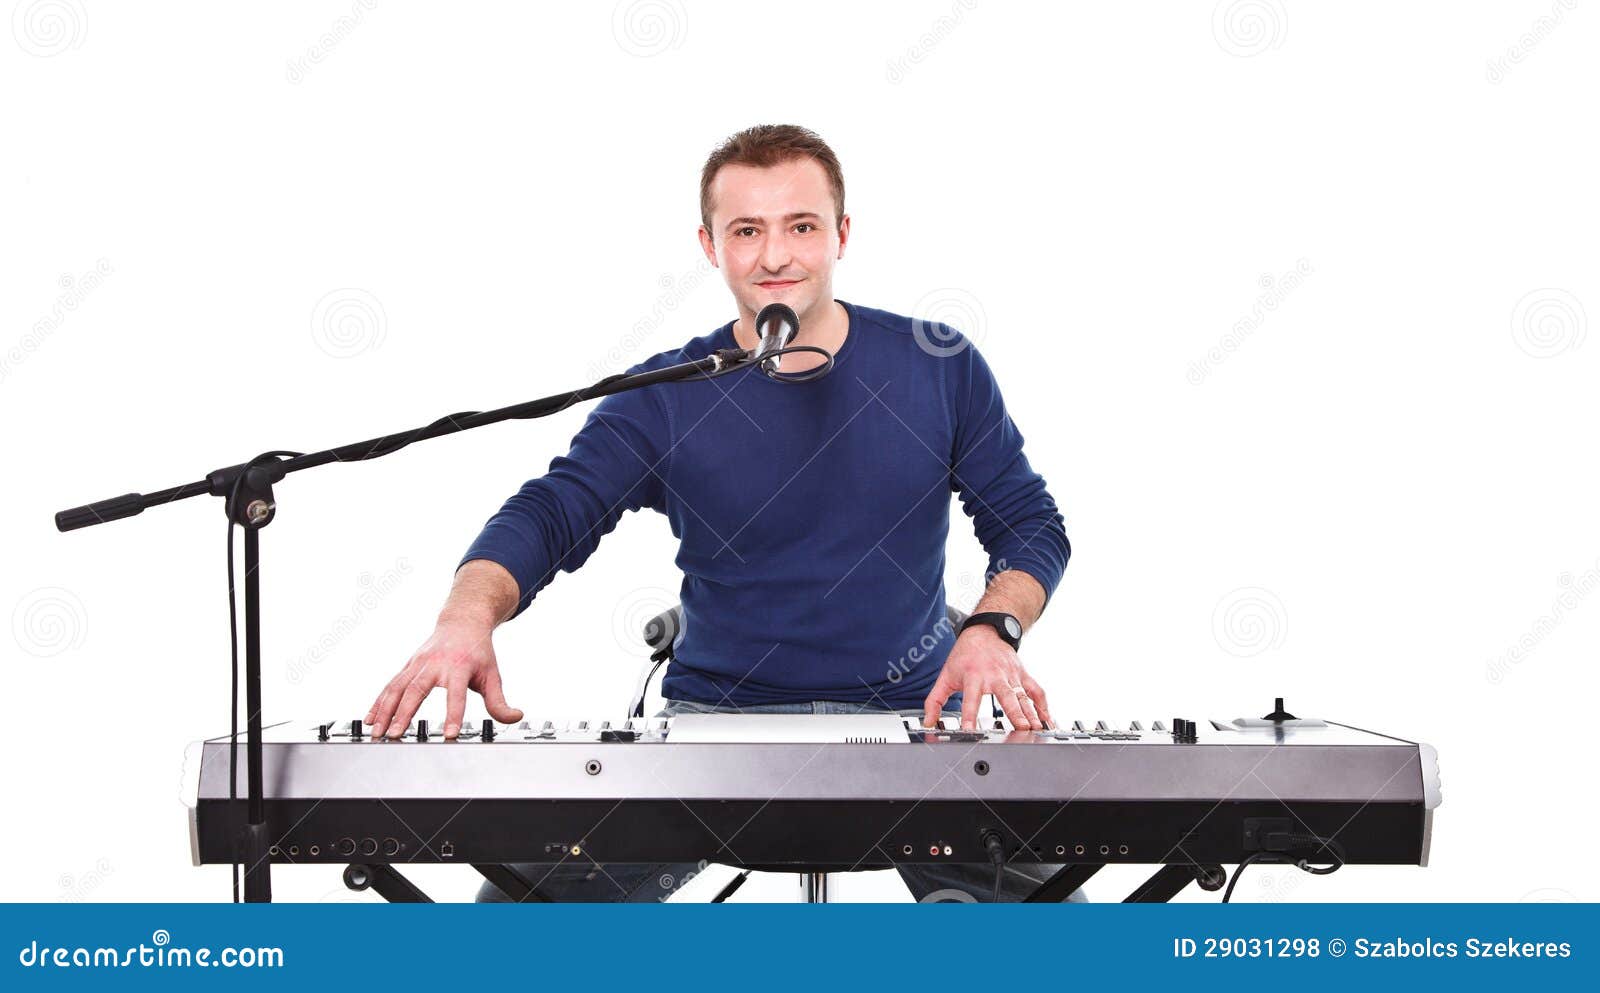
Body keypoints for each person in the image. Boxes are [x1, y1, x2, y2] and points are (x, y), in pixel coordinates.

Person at [364, 124, 1076, 902]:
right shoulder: (667, 392)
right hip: (715, 725)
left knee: (1076, 944)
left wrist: (992, 628)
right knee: (512, 926)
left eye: (800, 226)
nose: (775, 256)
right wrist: (464, 620)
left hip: (919, 719)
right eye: (746, 231)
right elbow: (551, 511)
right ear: (710, 246)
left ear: (841, 234)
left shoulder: (938, 364)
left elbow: (1030, 522)